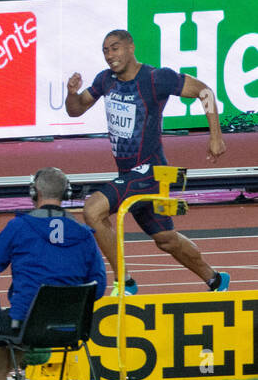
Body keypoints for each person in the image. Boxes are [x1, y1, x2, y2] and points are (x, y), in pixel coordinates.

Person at [65, 29, 229, 296]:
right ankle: (216, 280)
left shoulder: (155, 78)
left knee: (93, 210)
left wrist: (216, 137)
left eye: (115, 48)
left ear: (131, 47)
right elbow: (75, 110)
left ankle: (125, 282)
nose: (109, 55)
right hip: (129, 173)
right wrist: (72, 93)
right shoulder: (105, 80)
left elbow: (205, 91)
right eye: (105, 50)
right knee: (166, 240)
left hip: (150, 171)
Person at [0, 168, 106, 380]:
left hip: (26, 324)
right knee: (18, 324)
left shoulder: (18, 227)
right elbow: (99, 284)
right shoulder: (85, 234)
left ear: (35, 192)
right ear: (67, 193)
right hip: (72, 328)